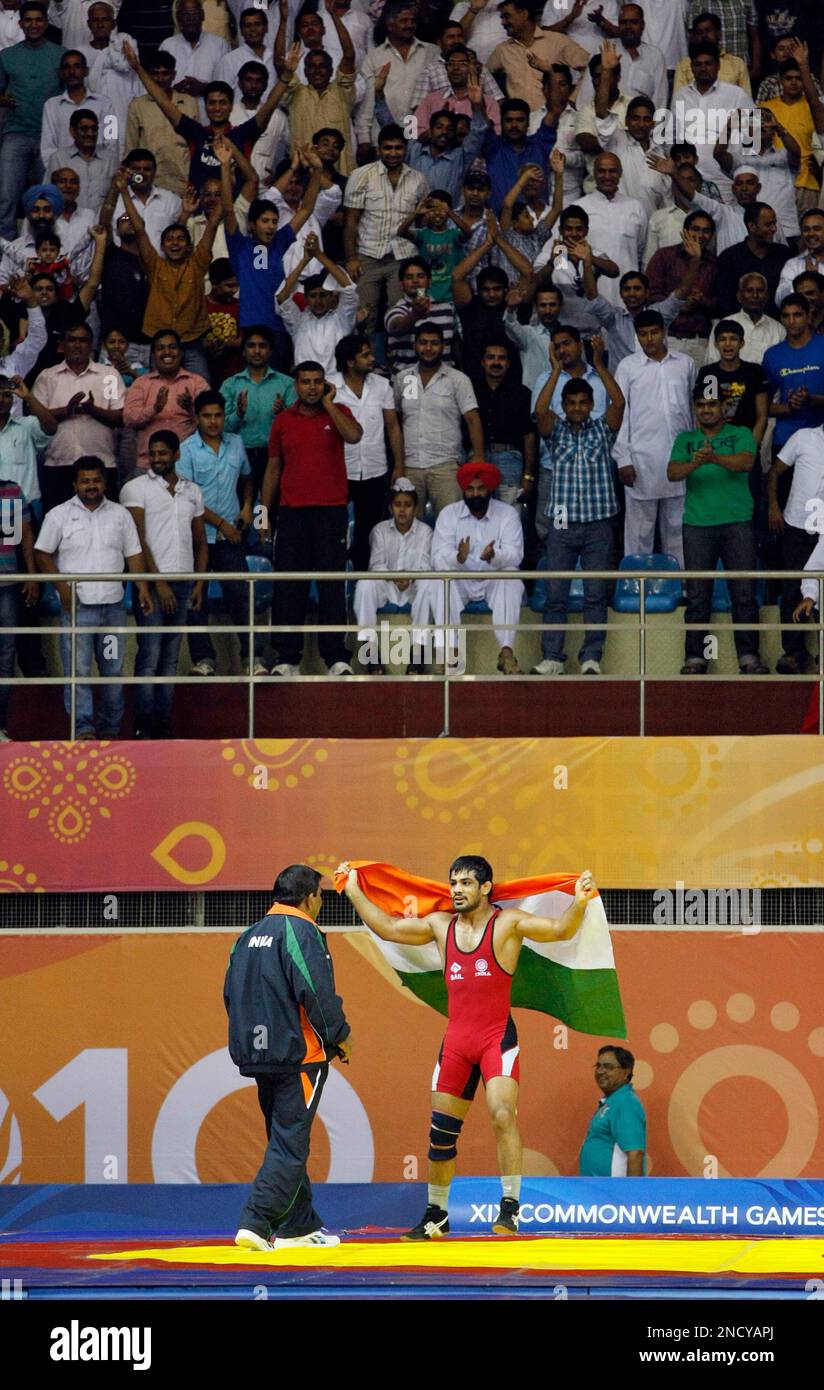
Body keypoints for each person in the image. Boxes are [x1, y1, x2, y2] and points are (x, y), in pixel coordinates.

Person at [339, 855, 597, 1237]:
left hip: (496, 1038)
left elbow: (560, 929)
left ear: (486, 887)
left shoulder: (507, 923)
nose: (456, 890)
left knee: (502, 1114)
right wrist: (353, 890)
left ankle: (510, 1208)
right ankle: (436, 1214)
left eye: (465, 883)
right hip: (457, 1043)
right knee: (441, 1133)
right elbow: (389, 928)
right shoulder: (440, 926)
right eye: (453, 883)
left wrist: (579, 900)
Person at [226, 862, 351, 1251]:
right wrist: (339, 1037)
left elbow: (230, 994)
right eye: (321, 896)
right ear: (309, 897)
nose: (321, 903)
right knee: (290, 1144)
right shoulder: (302, 930)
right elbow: (315, 991)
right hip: (299, 1055)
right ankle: (256, 1221)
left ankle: (299, 1227)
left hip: (259, 1055)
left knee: (284, 1140)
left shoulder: (247, 936)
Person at [34, 455, 152, 739]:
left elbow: (134, 554)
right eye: (85, 481)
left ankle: (110, 731)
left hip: (112, 610)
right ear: (74, 484)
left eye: (96, 480)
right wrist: (62, 588)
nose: (91, 486)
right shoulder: (59, 515)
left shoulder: (120, 515)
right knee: (78, 673)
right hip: (78, 611)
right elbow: (42, 553)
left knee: (113, 672)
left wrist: (143, 588)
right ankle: (83, 731)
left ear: (105, 482)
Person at [533, 332, 625, 677]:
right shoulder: (555, 431)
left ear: (590, 405)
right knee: (556, 594)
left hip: (599, 523)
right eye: (570, 403)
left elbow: (619, 404)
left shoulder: (602, 430)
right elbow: (540, 410)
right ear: (564, 405)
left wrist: (598, 364)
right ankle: (553, 658)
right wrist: (556, 370)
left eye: (582, 403)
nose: (576, 408)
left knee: (595, 595)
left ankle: (591, 657)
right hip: (561, 521)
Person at [262, 361, 362, 677]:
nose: (312, 387)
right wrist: (262, 516)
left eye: (318, 382)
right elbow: (272, 469)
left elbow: (354, 435)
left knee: (332, 585)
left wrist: (330, 404)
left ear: (325, 385)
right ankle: (286, 658)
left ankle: (335, 658)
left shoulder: (339, 412)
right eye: (305, 382)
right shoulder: (282, 421)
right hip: (292, 514)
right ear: (296, 385)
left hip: (331, 513)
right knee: (289, 587)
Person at [667, 389, 768, 675]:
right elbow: (672, 473)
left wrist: (714, 458)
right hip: (697, 525)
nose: (706, 410)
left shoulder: (741, 433)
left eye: (712, 404)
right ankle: (695, 658)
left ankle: (749, 657)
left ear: (724, 406)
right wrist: (696, 462)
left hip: (737, 523)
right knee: (698, 597)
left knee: (744, 595)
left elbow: (746, 463)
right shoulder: (685, 439)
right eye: (700, 405)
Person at [120, 429, 208, 737]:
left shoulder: (192, 491)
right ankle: (143, 724)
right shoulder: (135, 488)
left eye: (163, 453)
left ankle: (163, 724)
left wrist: (199, 584)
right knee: (150, 655)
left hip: (184, 583)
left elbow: (201, 542)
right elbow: (137, 540)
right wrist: (158, 584)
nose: (156, 459)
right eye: (152, 453)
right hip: (151, 585)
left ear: (176, 455)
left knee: (170, 659)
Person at [221, 138, 324, 369]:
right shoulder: (240, 246)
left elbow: (306, 209)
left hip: (279, 327)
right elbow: (227, 208)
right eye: (265, 221)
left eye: (274, 222)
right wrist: (225, 166)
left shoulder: (280, 242)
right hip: (251, 328)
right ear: (252, 224)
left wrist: (317, 170)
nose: (271, 226)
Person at [176, 389, 256, 676]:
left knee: (240, 596)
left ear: (225, 416)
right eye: (207, 416)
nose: (213, 421)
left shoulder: (236, 443)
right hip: (198, 537)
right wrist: (223, 524)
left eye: (218, 415)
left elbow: (247, 478)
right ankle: (204, 660)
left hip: (229, 538)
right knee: (196, 600)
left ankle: (252, 658)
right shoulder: (186, 450)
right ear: (197, 417)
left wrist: (248, 506)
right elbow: (189, 496)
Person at [117, 167, 221, 381]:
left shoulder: (197, 263)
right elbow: (139, 228)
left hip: (192, 342)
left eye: (180, 239)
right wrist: (124, 191)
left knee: (202, 389)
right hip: (160, 343)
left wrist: (226, 172)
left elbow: (212, 224)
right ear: (162, 246)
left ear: (189, 246)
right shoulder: (155, 265)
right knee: (158, 390)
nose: (175, 243)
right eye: (169, 240)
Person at [614, 309, 697, 564]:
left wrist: (694, 452)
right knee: (639, 533)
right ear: (637, 336)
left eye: (654, 333)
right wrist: (623, 458)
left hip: (680, 459)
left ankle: (679, 583)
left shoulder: (685, 364)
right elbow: (620, 414)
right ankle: (636, 584)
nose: (649, 339)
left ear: (664, 332)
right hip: (641, 460)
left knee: (677, 531)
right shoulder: (627, 367)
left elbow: (694, 410)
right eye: (643, 334)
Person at [431, 459, 524, 674]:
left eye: (481, 488)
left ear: (489, 489)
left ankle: (507, 652)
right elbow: (437, 557)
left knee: (511, 577)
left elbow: (516, 555)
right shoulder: (449, 514)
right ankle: (451, 653)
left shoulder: (507, 514)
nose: (475, 494)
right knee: (439, 581)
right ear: (464, 491)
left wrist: (494, 556)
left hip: (493, 577)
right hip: (460, 578)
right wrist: (458, 558)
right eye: (470, 489)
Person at [343, 123, 430, 337]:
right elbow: (351, 220)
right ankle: (367, 356)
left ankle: (398, 356)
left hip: (404, 258)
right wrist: (351, 258)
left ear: (405, 149)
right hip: (367, 256)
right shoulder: (360, 175)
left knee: (402, 313)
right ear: (378, 149)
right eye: (387, 148)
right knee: (364, 317)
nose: (393, 153)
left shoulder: (418, 179)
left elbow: (423, 223)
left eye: (398, 148)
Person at [328, 333, 403, 574]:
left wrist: (399, 465)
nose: (372, 358)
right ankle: (337, 585)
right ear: (350, 362)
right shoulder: (329, 387)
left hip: (374, 471)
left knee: (368, 534)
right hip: (339, 473)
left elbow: (392, 426)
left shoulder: (382, 385)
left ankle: (365, 586)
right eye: (366, 355)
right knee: (335, 534)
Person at [33, 320, 126, 512]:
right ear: (62, 345)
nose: (77, 345)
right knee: (58, 526)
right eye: (72, 340)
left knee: (104, 525)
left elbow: (119, 417)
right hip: (58, 464)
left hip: (102, 465)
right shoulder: (48, 377)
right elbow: (36, 421)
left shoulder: (108, 376)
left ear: (92, 345)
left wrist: (93, 410)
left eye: (83, 340)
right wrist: (67, 410)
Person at [393, 321, 483, 516]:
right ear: (414, 345)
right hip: (410, 466)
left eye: (434, 343)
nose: (428, 348)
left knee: (450, 525)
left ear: (443, 346)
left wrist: (478, 456)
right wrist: (398, 466)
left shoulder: (457, 379)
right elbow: (395, 423)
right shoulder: (404, 379)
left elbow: (472, 419)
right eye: (423, 343)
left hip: (446, 467)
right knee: (409, 528)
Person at [353, 476, 439, 673]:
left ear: (416, 508)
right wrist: (394, 576)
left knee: (430, 583)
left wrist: (409, 577)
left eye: (407, 505)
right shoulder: (379, 530)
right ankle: (370, 651)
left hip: (414, 586)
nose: (402, 510)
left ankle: (418, 654)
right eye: (398, 505)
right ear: (391, 508)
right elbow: (376, 565)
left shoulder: (426, 532)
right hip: (387, 585)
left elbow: (426, 566)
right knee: (365, 583)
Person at [0, 2, 64, 240]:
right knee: (6, 196)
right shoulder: (6, 56)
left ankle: (49, 246)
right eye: (28, 20)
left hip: (50, 136)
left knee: (49, 197)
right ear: (20, 24)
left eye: (38, 20)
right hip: (15, 132)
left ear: (46, 23)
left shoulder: (60, 54)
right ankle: (4, 249)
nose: (34, 24)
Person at [768, 420, 824, 675]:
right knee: (791, 589)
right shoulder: (803, 437)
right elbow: (774, 472)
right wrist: (773, 506)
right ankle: (793, 653)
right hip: (796, 525)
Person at [220, 325, 297, 506]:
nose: (256, 351)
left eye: (262, 346)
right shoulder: (230, 384)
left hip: (275, 457)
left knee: (269, 509)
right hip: (239, 456)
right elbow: (221, 428)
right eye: (251, 345)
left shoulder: (286, 383)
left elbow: (296, 427)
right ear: (243, 351)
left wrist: (282, 414)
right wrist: (238, 414)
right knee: (242, 509)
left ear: (270, 351)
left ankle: (265, 525)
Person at [123, 328, 208, 473]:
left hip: (187, 464)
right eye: (160, 348)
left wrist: (190, 409)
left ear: (181, 353)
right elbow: (128, 419)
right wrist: (154, 409)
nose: (167, 352)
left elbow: (211, 422)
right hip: (148, 465)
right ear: (153, 355)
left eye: (172, 347)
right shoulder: (141, 383)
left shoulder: (197, 383)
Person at [276, 231, 359, 373]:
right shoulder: (298, 321)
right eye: (313, 296)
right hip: (305, 382)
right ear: (306, 298)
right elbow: (281, 298)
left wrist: (319, 255)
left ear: (331, 296)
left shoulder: (341, 319)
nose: (318, 300)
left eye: (323, 295)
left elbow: (349, 289)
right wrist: (305, 260)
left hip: (336, 383)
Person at [123, 48, 198, 198]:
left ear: (173, 75)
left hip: (182, 182)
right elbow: (130, 149)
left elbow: (196, 145)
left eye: (165, 73)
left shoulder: (189, 102)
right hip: (149, 183)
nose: (160, 78)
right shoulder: (137, 105)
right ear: (148, 75)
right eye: (155, 73)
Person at [473, 339, 536, 504]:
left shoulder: (522, 394)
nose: (496, 362)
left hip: (510, 460)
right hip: (478, 457)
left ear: (508, 363)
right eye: (491, 357)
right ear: (483, 362)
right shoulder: (471, 392)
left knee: (510, 512)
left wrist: (528, 475)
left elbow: (529, 435)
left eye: (501, 358)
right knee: (477, 510)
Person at [0, 473, 36, 743]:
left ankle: (0, 727)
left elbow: (24, 534)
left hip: (8, 584)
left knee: (5, 658)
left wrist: (32, 576)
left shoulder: (11, 491)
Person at [578, 1045, 646, 1177]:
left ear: (626, 1072)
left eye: (608, 1067)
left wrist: (632, 1189)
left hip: (613, 1189)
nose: (600, 1071)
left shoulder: (626, 1102)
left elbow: (635, 1153)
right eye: (598, 1066)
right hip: (598, 1187)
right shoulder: (612, 1101)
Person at [385, 255, 459, 372]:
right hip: (407, 378)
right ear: (401, 284)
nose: (415, 281)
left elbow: (454, 345)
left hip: (443, 378)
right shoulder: (395, 310)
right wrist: (415, 314)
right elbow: (397, 327)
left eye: (421, 276)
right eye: (409, 277)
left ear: (429, 281)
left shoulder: (446, 309)